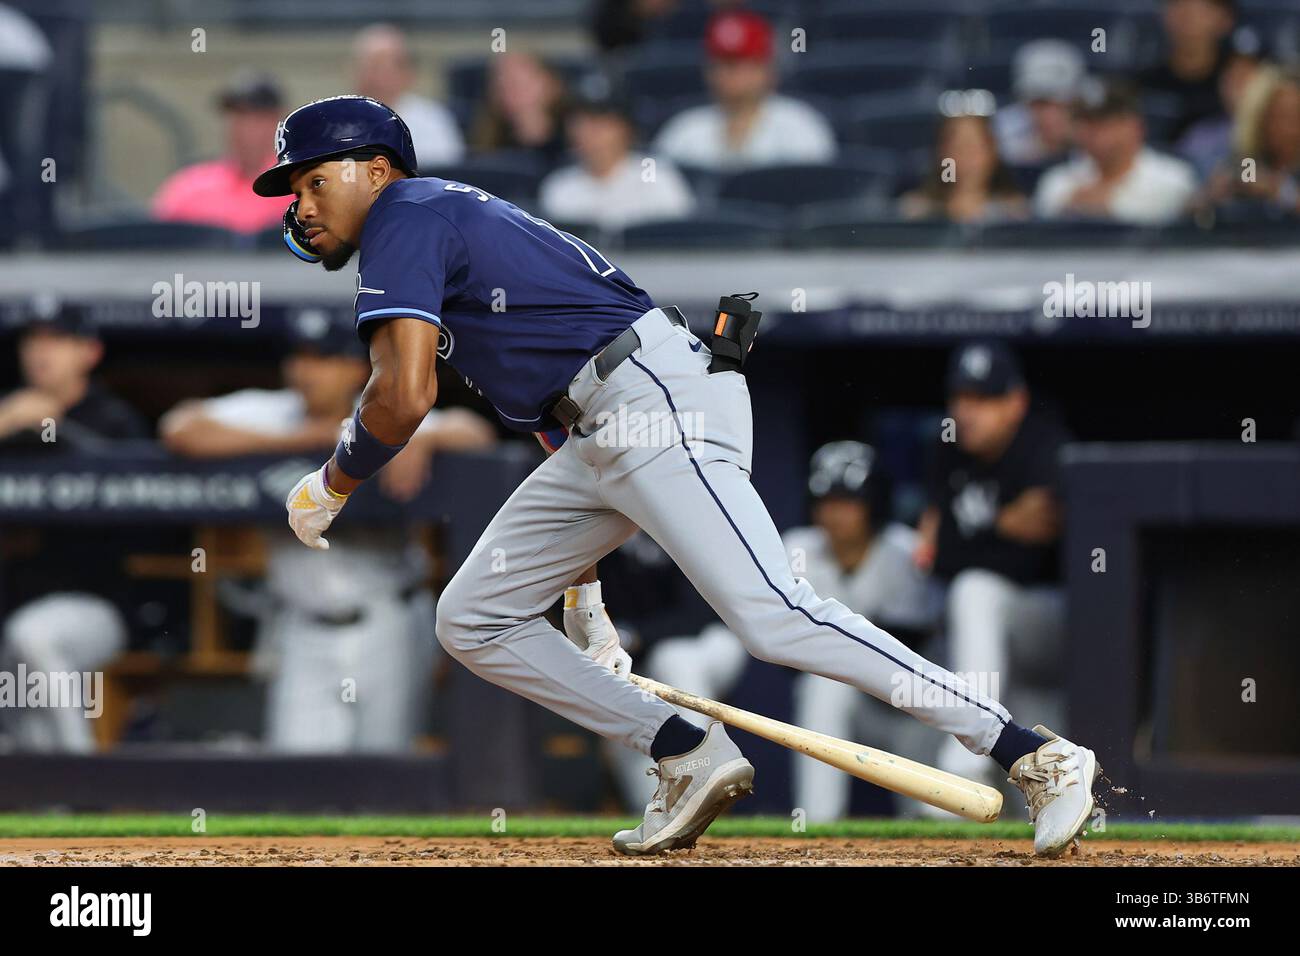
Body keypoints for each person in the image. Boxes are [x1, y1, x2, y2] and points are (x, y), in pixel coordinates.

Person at [254, 94, 1099, 857]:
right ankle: (684, 752)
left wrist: (333, 481)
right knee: (475, 618)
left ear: (375, 169)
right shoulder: (436, 224)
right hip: (600, 417)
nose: (301, 205)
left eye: (312, 181)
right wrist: (585, 604)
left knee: (776, 618)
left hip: (653, 397)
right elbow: (556, 424)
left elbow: (401, 399)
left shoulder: (404, 209)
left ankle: (1034, 754)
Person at [159, 313, 495, 752]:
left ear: (356, 369)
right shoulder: (272, 413)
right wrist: (307, 440)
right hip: (302, 627)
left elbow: (477, 434)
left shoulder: (386, 411)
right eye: (301, 358)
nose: (307, 372)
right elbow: (179, 428)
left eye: (324, 360)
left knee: (386, 772)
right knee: (300, 779)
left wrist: (422, 440)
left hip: (388, 621)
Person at [913, 342, 1071, 794]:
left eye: (983, 401)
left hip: (1053, 620)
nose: (967, 412)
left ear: (1015, 402)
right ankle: (963, 780)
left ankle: (966, 761)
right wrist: (1004, 524)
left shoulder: (1043, 442)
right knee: (1041, 792)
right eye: (961, 399)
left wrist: (968, 539)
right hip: (993, 644)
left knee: (976, 590)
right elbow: (935, 556)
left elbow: (1039, 541)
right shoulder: (947, 451)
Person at [0, 300, 149, 752]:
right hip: (10, 599)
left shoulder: (112, 419)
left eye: (58, 340)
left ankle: (80, 781)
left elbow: (147, 506)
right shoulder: (10, 413)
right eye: (34, 340)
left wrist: (61, 430)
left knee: (35, 635)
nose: (42, 352)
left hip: (96, 606)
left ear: (89, 352)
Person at [653, 9, 836, 171]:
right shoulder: (683, 131)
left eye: (742, 63)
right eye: (722, 63)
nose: (730, 74)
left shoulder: (801, 125)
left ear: (768, 69)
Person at [1035, 79, 1198, 224]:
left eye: (1105, 121)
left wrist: (1097, 205)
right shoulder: (1057, 181)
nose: (1094, 131)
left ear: (1135, 126)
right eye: (1086, 121)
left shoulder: (1174, 177)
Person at [539, 81, 695, 230]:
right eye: (579, 121)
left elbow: (676, 238)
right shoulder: (560, 185)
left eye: (601, 120)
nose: (588, 130)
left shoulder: (653, 172)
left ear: (626, 128)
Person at [152, 71, 290, 233]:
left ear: (278, 122)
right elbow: (154, 245)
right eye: (237, 116)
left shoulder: (300, 188)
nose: (242, 128)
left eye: (256, 117)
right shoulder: (189, 187)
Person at [351, 23, 464, 170]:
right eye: (365, 66)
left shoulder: (431, 121)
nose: (371, 76)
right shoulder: (335, 122)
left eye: (379, 66)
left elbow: (446, 179)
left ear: (406, 73)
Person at [899, 112, 1029, 223]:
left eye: (974, 148)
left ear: (992, 153)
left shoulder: (1014, 213)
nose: (966, 158)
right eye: (958, 148)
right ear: (942, 154)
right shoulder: (916, 211)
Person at [1139, 0, 1238, 142]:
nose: (1188, 15)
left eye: (1200, 8)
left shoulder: (1240, 79)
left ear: (1225, 19)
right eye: (1178, 4)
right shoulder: (1144, 83)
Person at [994, 40, 1085, 192]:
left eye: (1060, 104)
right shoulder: (999, 132)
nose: (1050, 114)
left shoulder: (1096, 130)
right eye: (1040, 104)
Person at [469, 51, 570, 165]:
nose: (510, 90)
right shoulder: (485, 143)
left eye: (520, 82)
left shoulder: (575, 136)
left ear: (551, 83)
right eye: (502, 83)